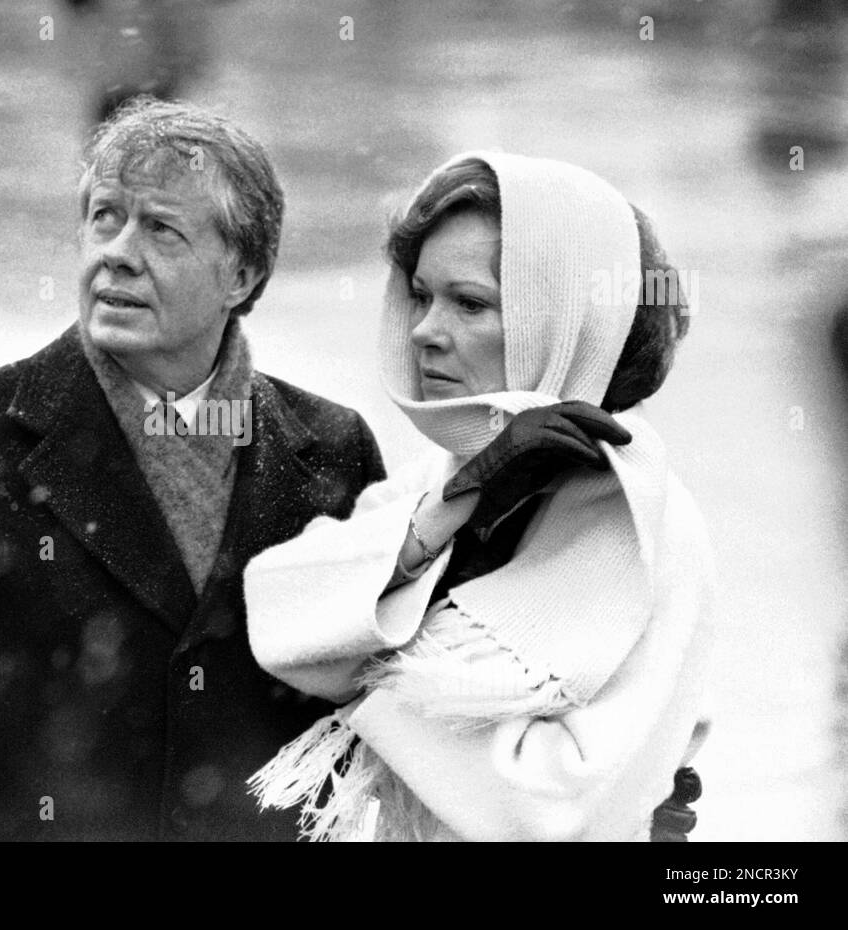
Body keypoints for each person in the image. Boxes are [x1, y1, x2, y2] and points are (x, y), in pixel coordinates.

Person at [0, 97, 385, 841]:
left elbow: (363, 748)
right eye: (103, 217)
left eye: (161, 227)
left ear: (243, 274)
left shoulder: (331, 452)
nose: (117, 252)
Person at [244, 152, 715, 841]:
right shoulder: (446, 474)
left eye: (469, 303)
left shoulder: (650, 530)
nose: (424, 330)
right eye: (421, 294)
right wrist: (455, 505)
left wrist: (365, 681)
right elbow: (279, 617)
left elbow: (542, 808)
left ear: (565, 321)